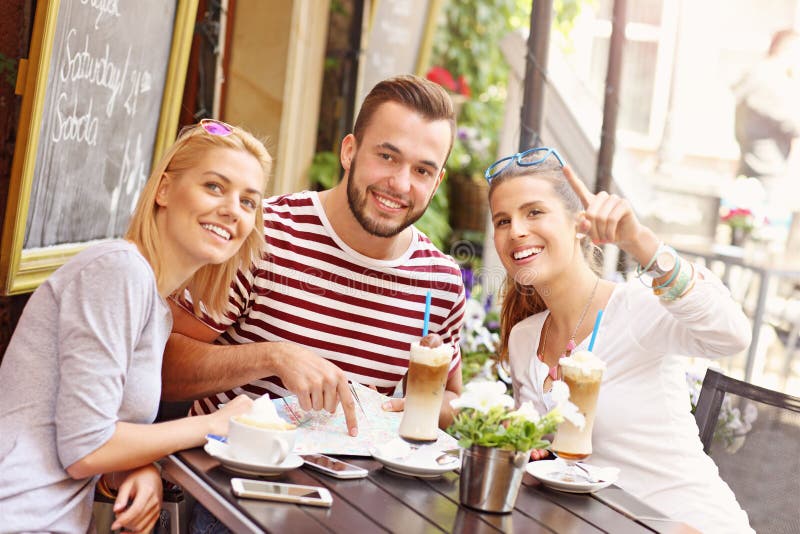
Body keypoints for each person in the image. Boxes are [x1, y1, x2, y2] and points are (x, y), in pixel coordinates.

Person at [0, 119, 271, 532]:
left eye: (248, 202)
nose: (232, 209)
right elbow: (86, 446)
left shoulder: (153, 303)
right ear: (163, 190)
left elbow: (85, 428)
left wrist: (137, 466)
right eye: (215, 186)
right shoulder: (118, 270)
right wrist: (214, 424)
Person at [487, 147, 754, 533]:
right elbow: (545, 462)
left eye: (534, 212)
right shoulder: (525, 338)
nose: (517, 231)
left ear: (579, 223)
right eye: (502, 220)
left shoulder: (635, 309)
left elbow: (732, 335)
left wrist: (639, 241)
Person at [733, 29, 800, 202]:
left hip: (752, 163)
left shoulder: (757, 74)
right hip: (766, 168)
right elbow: (793, 123)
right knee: (763, 223)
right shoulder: (771, 80)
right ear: (788, 50)